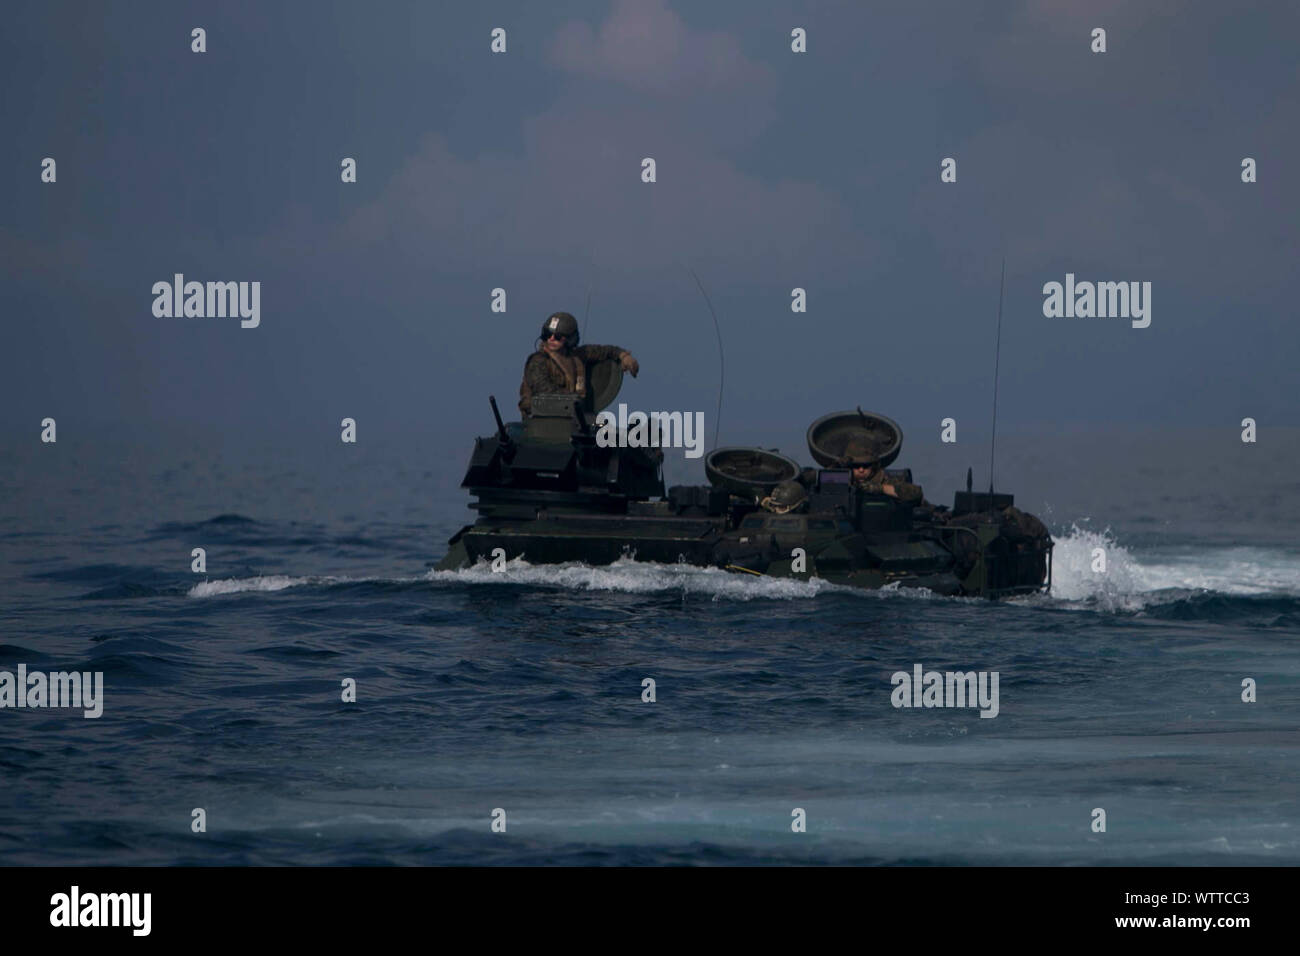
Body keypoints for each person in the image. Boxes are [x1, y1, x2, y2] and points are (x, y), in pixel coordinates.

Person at [518, 312, 640, 416]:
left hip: (573, 419)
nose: (551, 339)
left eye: (558, 337)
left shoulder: (577, 356)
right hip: (542, 420)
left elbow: (604, 351)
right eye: (547, 335)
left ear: (570, 339)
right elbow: (543, 389)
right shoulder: (538, 361)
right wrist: (573, 399)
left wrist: (623, 356)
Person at [842, 438, 924, 503]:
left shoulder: (883, 479)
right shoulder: (842, 480)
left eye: (866, 466)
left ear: (873, 466)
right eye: (856, 466)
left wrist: (880, 489)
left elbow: (916, 493)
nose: (861, 470)